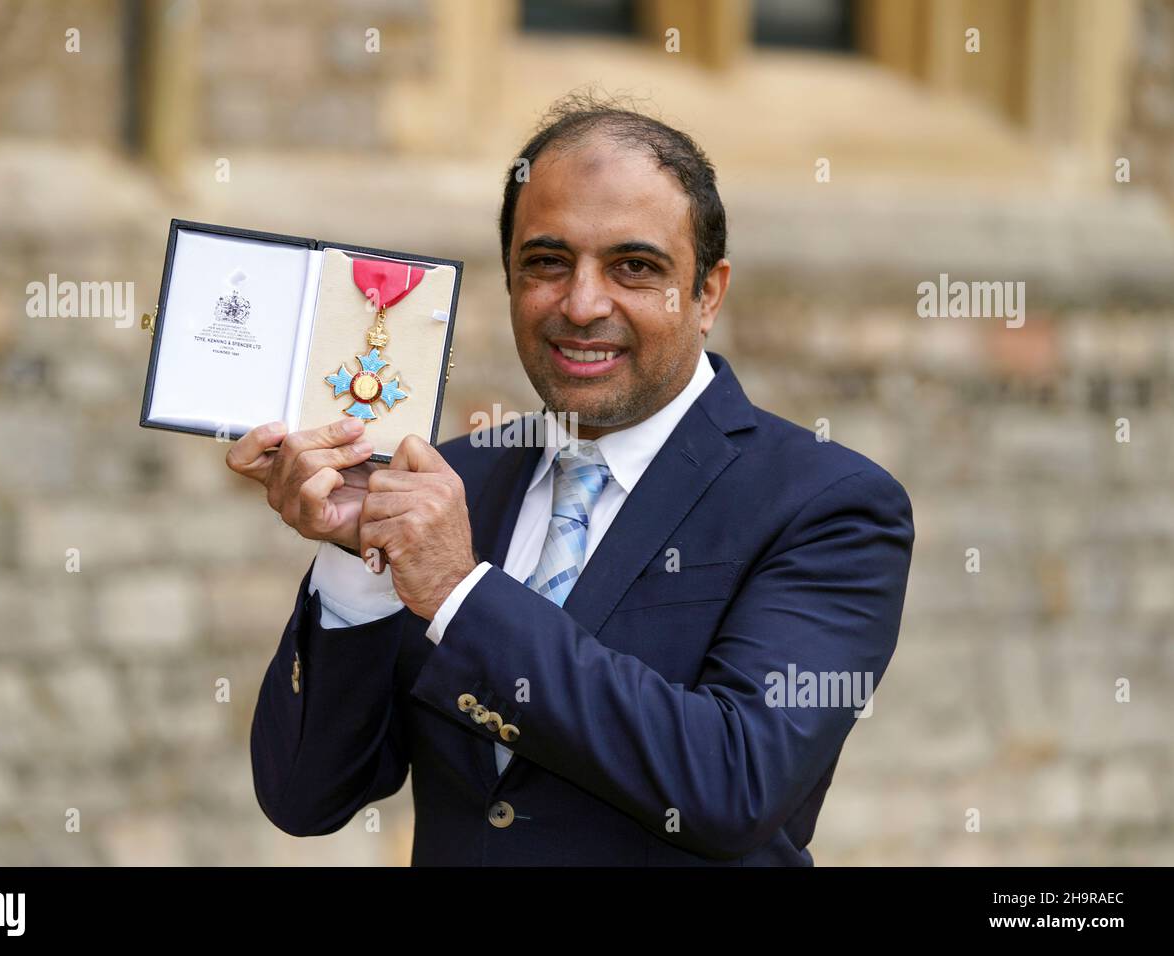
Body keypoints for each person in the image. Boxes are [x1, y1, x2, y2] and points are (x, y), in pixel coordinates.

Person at [225, 95, 914, 865]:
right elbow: (304, 797)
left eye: (634, 266)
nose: (582, 304)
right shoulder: (454, 480)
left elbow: (734, 784)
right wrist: (358, 568)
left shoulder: (830, 505)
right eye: (548, 263)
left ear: (707, 293)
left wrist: (459, 592)